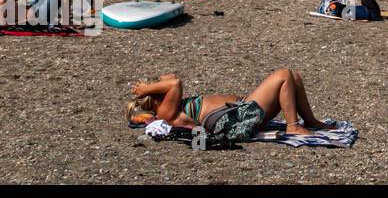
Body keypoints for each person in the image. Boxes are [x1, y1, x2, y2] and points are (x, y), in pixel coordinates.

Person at [126, 69, 328, 137]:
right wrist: (146, 89)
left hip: (242, 111)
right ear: (154, 101)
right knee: (284, 75)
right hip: (240, 118)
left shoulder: (170, 105)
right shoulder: (165, 113)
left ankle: (310, 121)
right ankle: (293, 126)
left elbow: (169, 76)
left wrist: (152, 86)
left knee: (294, 76)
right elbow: (175, 83)